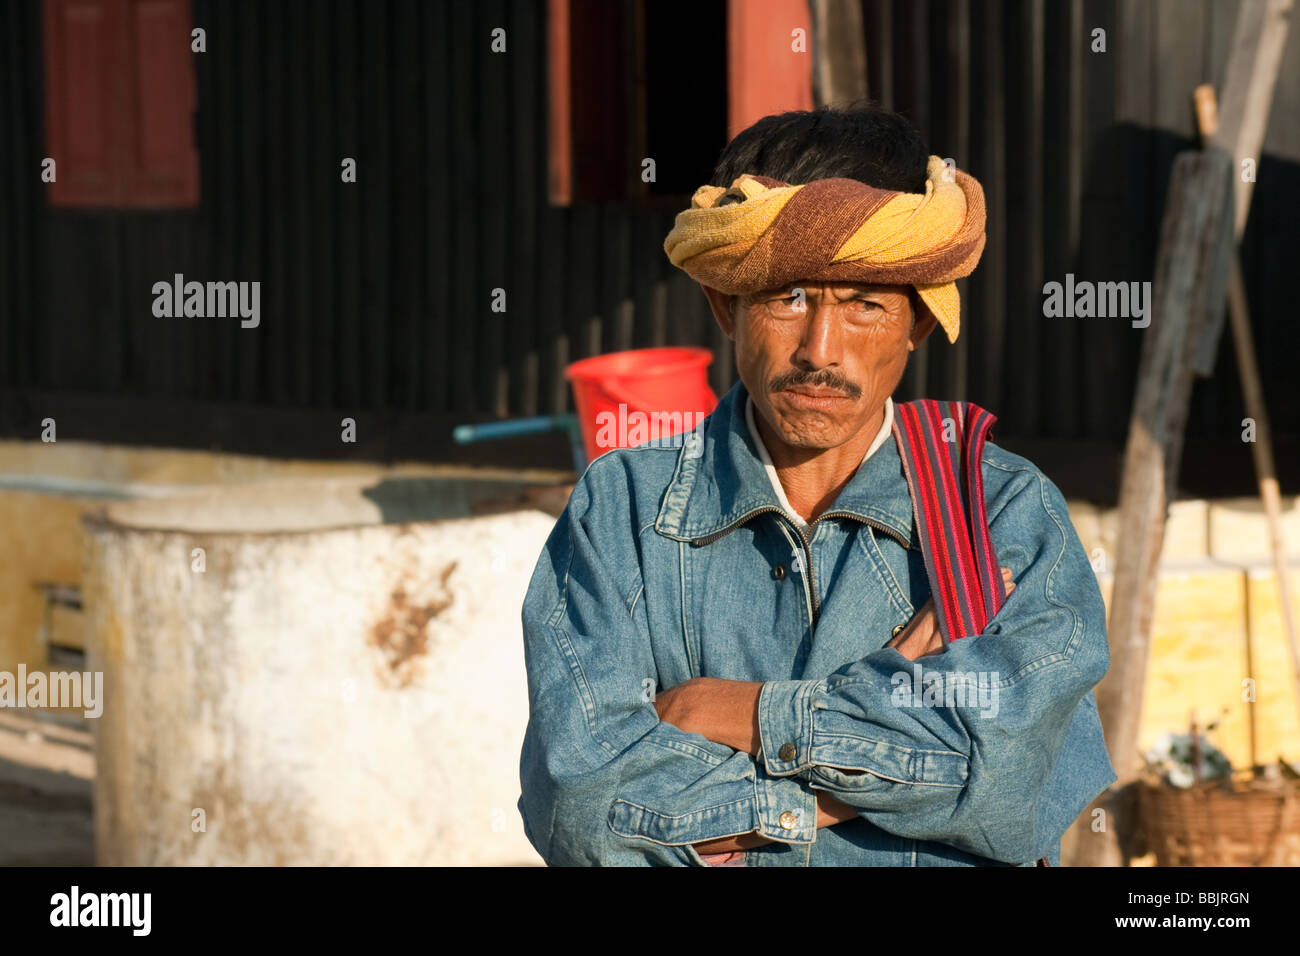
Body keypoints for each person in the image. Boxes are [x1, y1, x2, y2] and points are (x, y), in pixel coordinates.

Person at [517, 103, 1116, 866]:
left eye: (865, 303)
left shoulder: (995, 512)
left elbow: (1012, 790)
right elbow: (581, 808)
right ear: (724, 306)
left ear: (920, 323)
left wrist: (742, 713)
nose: (819, 350)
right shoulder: (625, 507)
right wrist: (870, 767)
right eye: (787, 296)